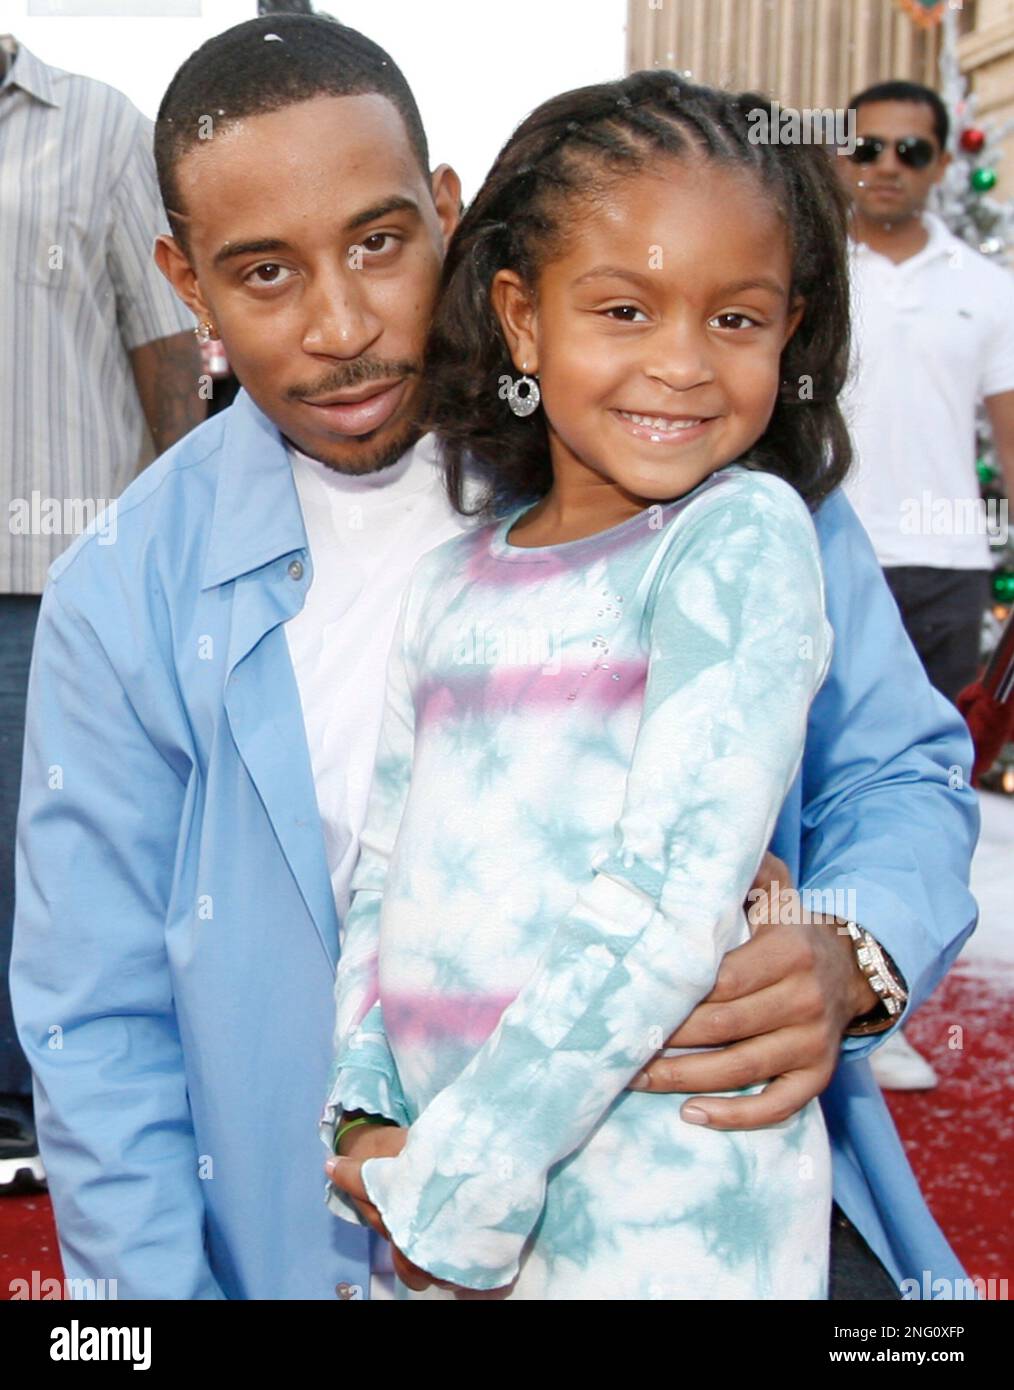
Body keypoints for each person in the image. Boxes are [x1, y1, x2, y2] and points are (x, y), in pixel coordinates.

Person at [11, 16, 977, 1300]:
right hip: (336, 1249)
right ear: (186, 285)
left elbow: (901, 768)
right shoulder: (123, 591)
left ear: (451, 211)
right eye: (263, 274)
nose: (340, 324)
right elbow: (100, 1022)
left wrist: (851, 949)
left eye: (379, 241)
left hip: (703, 1216)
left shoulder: (678, 445)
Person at [321, 71, 845, 1299]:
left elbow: (667, 896)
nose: (683, 365)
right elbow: (386, 872)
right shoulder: (451, 584)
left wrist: (455, 1188)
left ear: (789, 328)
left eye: (736, 320)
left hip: (668, 1206)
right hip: (447, 1197)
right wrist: (360, 1117)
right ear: (520, 318)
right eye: (624, 308)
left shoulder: (741, 541)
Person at [0, 33, 204, 1194]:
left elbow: (165, 348)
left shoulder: (99, 123)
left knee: (49, 865)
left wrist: (181, 555)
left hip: (53, 578)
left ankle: (40, 1114)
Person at [838, 79, 1014, 1091]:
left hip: (948, 568)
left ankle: (892, 1001)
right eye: (870, 149)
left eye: (912, 151)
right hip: (828, 557)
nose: (889, 167)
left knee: (922, 791)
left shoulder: (987, 290)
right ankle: (812, 979)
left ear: (943, 164)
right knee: (814, 782)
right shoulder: (808, 278)